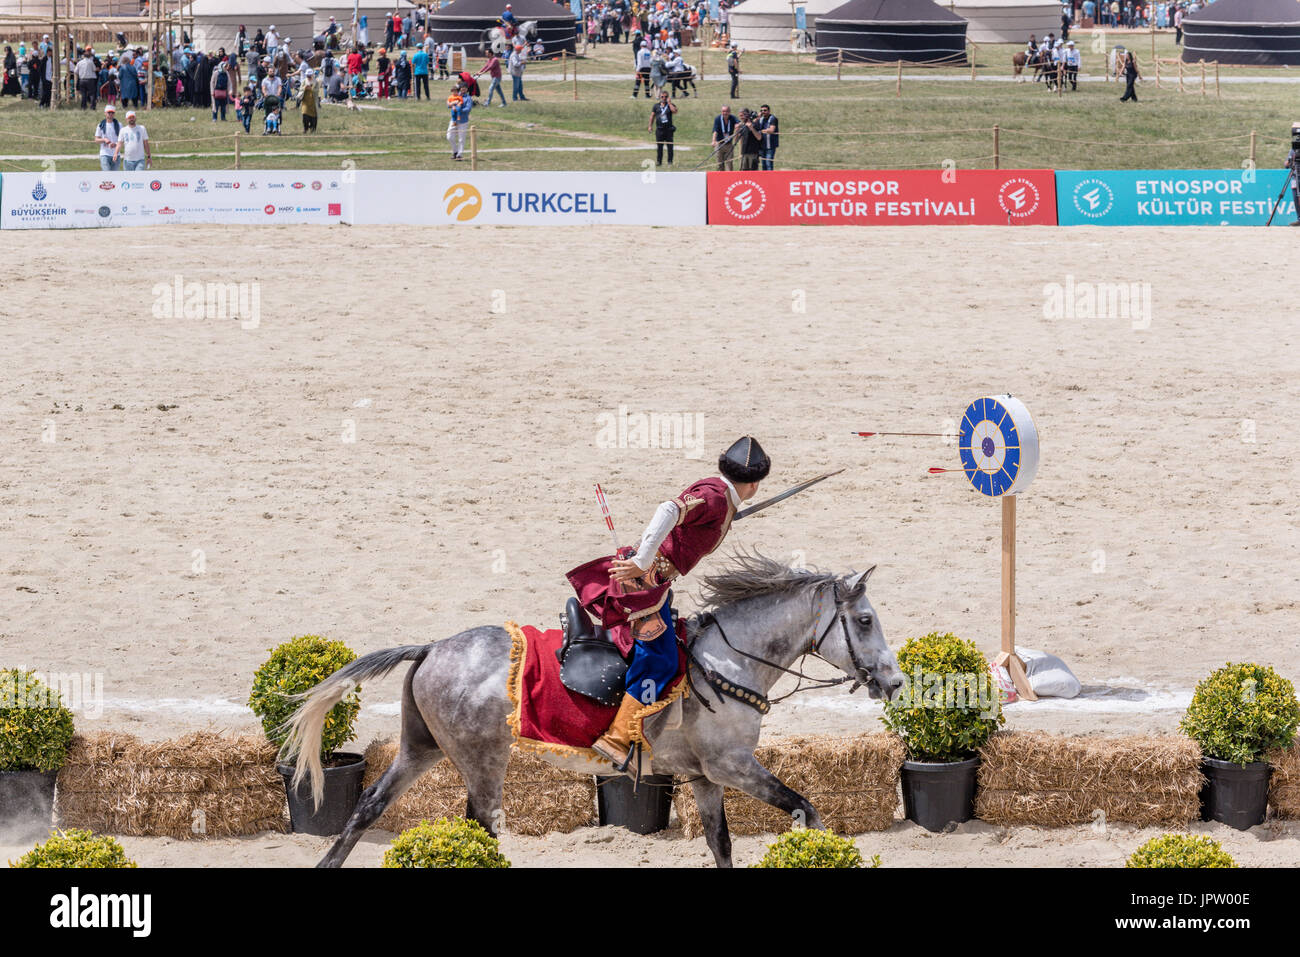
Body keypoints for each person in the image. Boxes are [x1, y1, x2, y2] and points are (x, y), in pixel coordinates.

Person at [569, 437, 772, 769]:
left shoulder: (721, 498)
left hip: (657, 583)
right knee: (660, 661)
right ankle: (618, 736)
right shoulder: (715, 499)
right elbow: (668, 510)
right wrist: (643, 559)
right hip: (644, 582)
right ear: (754, 483)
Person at [649, 89, 677, 165]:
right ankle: (659, 161)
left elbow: (675, 111)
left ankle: (670, 162)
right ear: (660, 97)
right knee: (659, 147)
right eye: (662, 96)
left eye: (665, 97)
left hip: (669, 129)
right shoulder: (656, 106)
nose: (664, 98)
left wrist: (670, 103)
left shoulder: (670, 105)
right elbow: (652, 116)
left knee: (670, 147)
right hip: (659, 130)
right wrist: (650, 126)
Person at [447, 83, 472, 160]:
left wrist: (459, 110)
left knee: (461, 139)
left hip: (463, 121)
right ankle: (455, 151)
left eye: (465, 88)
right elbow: (448, 105)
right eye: (462, 88)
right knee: (449, 136)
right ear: (460, 88)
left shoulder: (468, 98)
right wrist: (452, 104)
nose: (463, 89)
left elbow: (468, 109)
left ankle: (459, 154)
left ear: (467, 89)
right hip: (454, 120)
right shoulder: (455, 95)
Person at [94, 104, 122, 171]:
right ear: (105, 113)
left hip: (116, 154)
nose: (110, 114)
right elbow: (96, 140)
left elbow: (122, 139)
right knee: (106, 174)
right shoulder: (101, 125)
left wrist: (115, 144)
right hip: (104, 153)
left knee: (115, 176)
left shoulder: (119, 125)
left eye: (112, 112)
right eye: (109, 112)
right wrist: (104, 139)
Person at [711, 103, 737, 170]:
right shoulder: (717, 119)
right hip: (719, 144)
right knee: (719, 164)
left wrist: (737, 125)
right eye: (723, 111)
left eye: (726, 111)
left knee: (729, 164)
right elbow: (715, 131)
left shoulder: (732, 118)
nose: (725, 113)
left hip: (729, 145)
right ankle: (720, 179)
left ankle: (729, 179)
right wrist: (713, 141)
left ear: (729, 112)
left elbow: (739, 123)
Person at [756, 103, 778, 170]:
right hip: (762, 145)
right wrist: (757, 118)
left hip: (770, 145)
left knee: (769, 164)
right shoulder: (761, 119)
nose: (763, 112)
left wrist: (763, 131)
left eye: (765, 110)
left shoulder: (773, 118)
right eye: (761, 110)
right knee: (763, 164)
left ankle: (771, 179)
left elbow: (771, 130)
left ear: (769, 111)